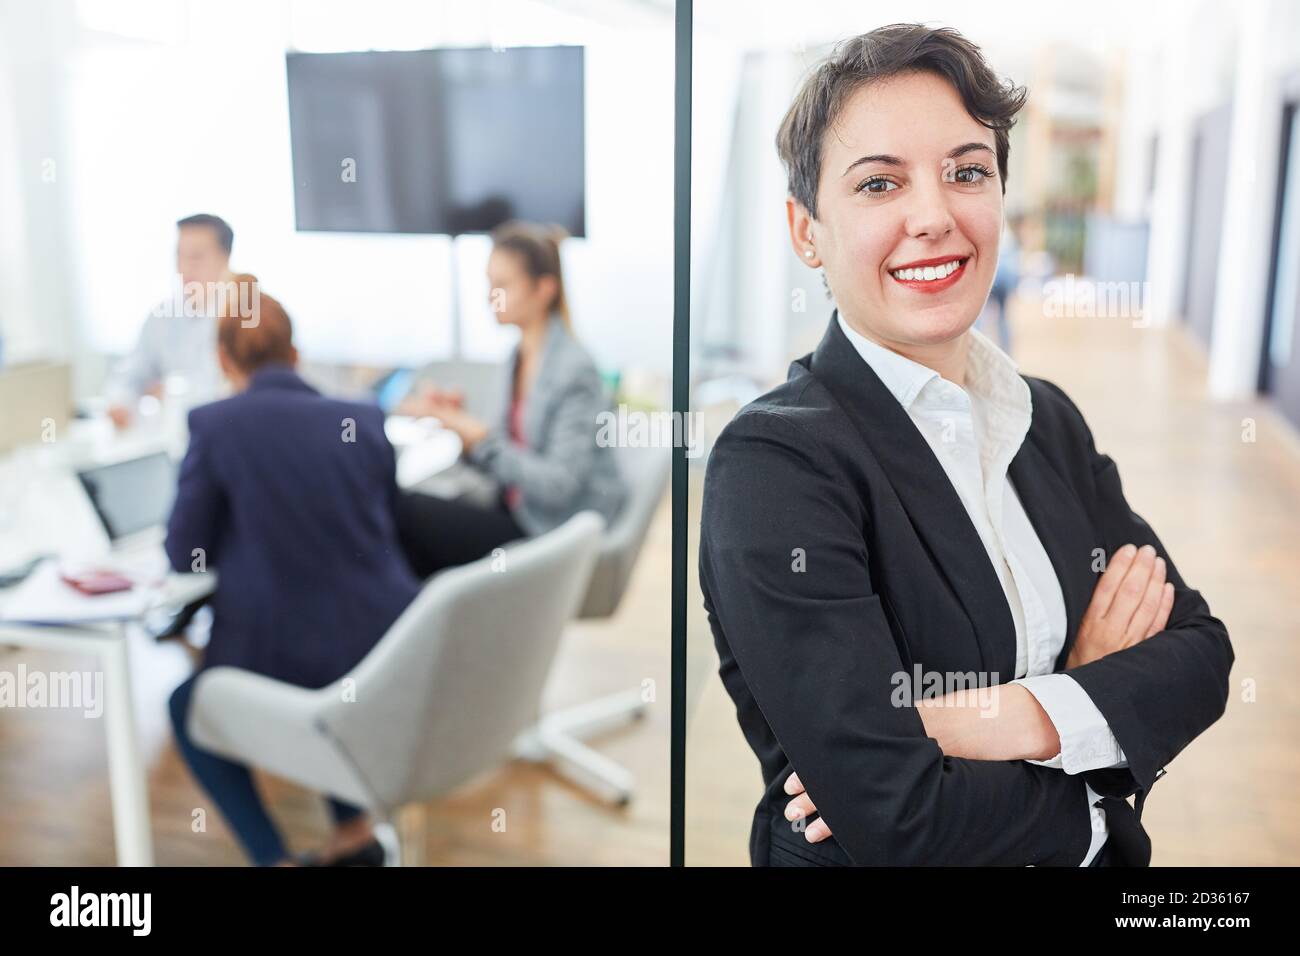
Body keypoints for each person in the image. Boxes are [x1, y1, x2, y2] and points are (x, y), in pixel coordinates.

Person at [699, 24, 1233, 867]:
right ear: (807, 231)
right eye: (879, 184)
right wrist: (1098, 733)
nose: (935, 216)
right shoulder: (774, 466)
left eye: (966, 171)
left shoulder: (1043, 420)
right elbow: (898, 818)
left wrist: (1014, 714)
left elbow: (1202, 654)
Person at [165, 276, 419, 866]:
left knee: (187, 706)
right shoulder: (363, 417)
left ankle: (272, 858)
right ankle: (355, 835)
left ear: (224, 360)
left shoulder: (215, 425)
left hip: (287, 655)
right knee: (329, 674)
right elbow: (389, 523)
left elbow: (184, 552)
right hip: (386, 646)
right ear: (296, 354)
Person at [394, 221, 627, 578]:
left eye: (502, 285)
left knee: (406, 513)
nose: (491, 296)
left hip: (549, 529)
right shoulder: (515, 358)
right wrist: (460, 428)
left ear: (544, 289)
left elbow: (558, 486)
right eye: (489, 284)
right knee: (406, 520)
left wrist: (481, 439)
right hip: (517, 509)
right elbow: (503, 462)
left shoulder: (573, 370)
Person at [107, 213, 236, 428]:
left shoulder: (244, 318)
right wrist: (120, 402)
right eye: (179, 256)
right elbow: (129, 375)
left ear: (225, 259)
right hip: (169, 439)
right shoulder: (162, 317)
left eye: (195, 257)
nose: (184, 269)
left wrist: (167, 391)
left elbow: (227, 394)